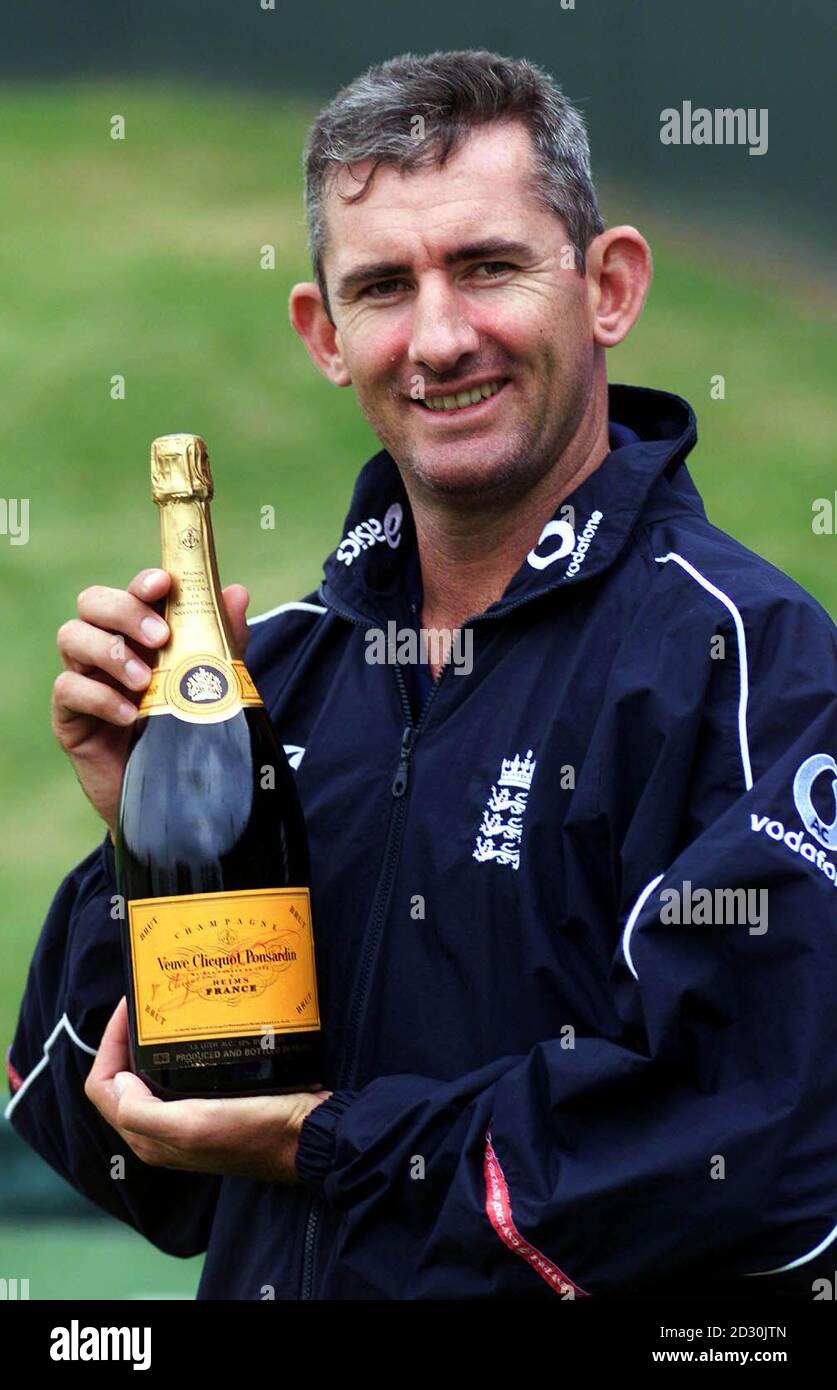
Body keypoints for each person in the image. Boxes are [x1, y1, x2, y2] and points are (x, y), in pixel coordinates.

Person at [7, 49, 837, 1301]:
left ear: (608, 287)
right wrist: (145, 841)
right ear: (323, 335)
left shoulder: (740, 660)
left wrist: (328, 1145)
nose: (440, 338)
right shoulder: (269, 676)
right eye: (383, 287)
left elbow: (749, 1154)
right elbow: (126, 1163)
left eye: (489, 267)